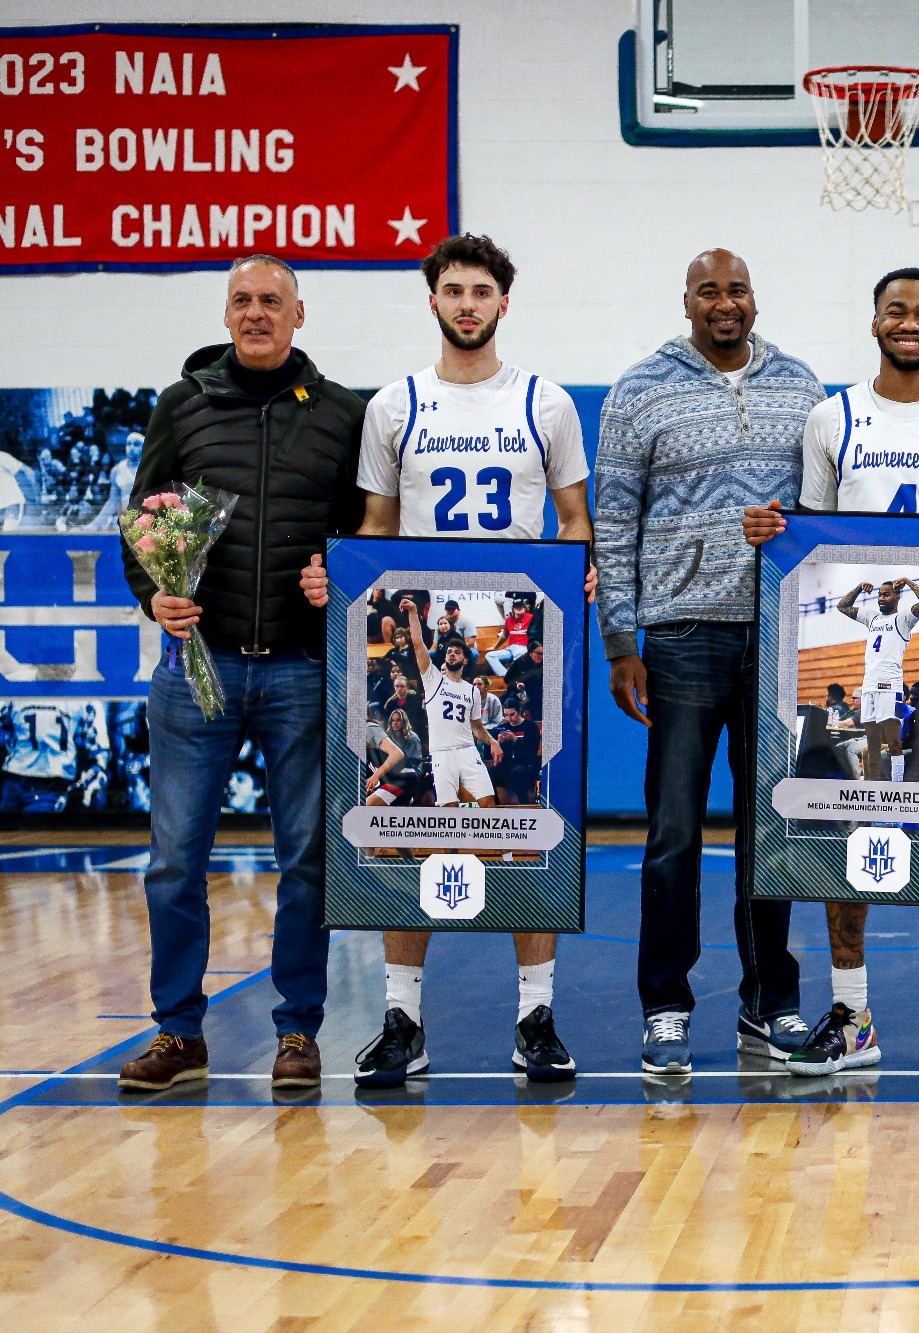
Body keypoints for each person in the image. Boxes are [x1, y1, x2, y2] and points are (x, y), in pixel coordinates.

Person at [300, 234, 594, 1086]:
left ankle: (536, 1015)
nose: (468, 304)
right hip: (422, 625)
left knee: (524, 815)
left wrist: (577, 576)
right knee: (413, 817)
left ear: (505, 303)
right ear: (432, 302)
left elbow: (574, 519)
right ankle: (403, 1019)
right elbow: (377, 530)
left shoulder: (547, 403)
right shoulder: (396, 405)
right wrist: (346, 583)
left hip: (515, 629)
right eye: (453, 291)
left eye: (481, 291)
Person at [743, 266, 919, 1081]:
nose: (911, 322)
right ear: (874, 322)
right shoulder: (831, 417)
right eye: (896, 310)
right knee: (847, 821)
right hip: (855, 708)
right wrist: (777, 531)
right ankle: (852, 1013)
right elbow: (811, 537)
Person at [115, 254, 366, 1094]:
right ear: (226, 315)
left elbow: (367, 532)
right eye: (242, 301)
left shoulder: (343, 415)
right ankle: (179, 1032)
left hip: (301, 669)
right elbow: (141, 525)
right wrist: (156, 595)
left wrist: (337, 573)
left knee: (304, 859)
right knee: (173, 860)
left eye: (272, 301)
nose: (256, 313)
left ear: (302, 315)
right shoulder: (181, 406)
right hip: (197, 668)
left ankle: (298, 1031)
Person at [596, 248, 823, 1076]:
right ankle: (665, 1005)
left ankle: (769, 1004)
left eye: (737, 290)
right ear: (686, 301)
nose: (724, 303)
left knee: (775, 828)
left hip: (777, 636)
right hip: (681, 636)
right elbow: (613, 521)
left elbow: (825, 511)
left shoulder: (804, 386)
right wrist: (622, 639)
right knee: (673, 833)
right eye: (708, 291)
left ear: (754, 299)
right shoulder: (638, 389)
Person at [836, 576, 919, 779]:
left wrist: (907, 582)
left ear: (897, 596)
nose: (881, 598)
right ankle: (873, 784)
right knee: (872, 745)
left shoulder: (903, 619)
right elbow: (842, 606)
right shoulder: (872, 618)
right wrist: (859, 588)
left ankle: (897, 786)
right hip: (869, 686)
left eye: (886, 594)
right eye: (879, 595)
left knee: (893, 742)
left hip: (890, 687)